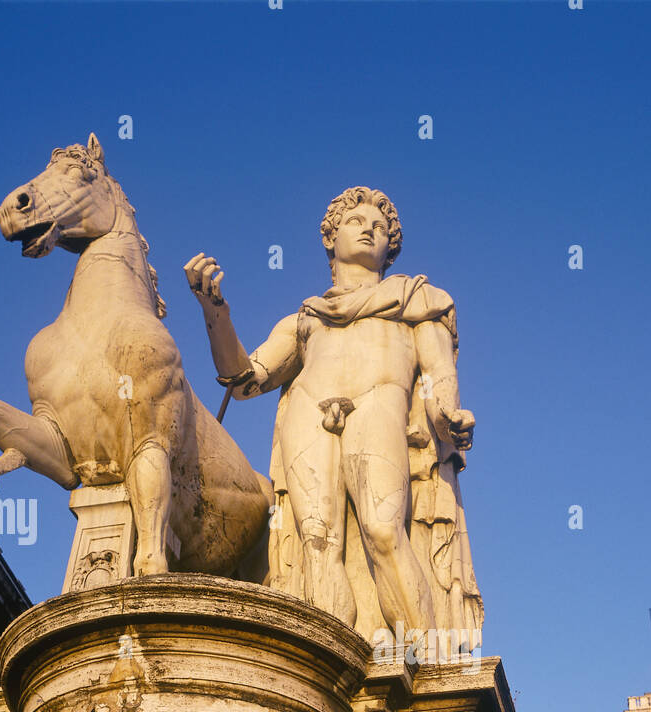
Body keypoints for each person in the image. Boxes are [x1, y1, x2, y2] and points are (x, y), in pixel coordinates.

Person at [184, 188, 481, 646]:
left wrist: (448, 417)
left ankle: (428, 665)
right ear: (330, 236)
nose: (369, 229)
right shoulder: (306, 320)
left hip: (380, 402)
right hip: (309, 409)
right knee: (318, 543)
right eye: (356, 221)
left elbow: (439, 376)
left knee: (384, 531)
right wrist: (216, 314)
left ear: (390, 247)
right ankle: (330, 671)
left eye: (380, 227)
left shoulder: (418, 302)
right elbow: (244, 380)